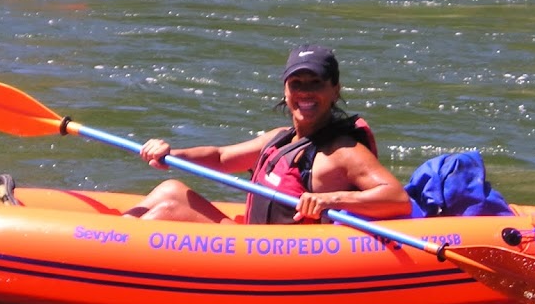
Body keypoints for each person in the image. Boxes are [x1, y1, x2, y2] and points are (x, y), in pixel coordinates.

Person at [126, 45, 412, 224]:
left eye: (316, 83)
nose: (305, 93)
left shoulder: (344, 151)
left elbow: (397, 199)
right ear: (286, 90)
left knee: (167, 210)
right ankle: (109, 240)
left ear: (335, 89)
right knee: (171, 190)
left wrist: (329, 200)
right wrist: (170, 155)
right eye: (296, 83)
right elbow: (222, 157)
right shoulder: (280, 138)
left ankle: (111, 255)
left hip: (284, 258)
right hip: (252, 245)